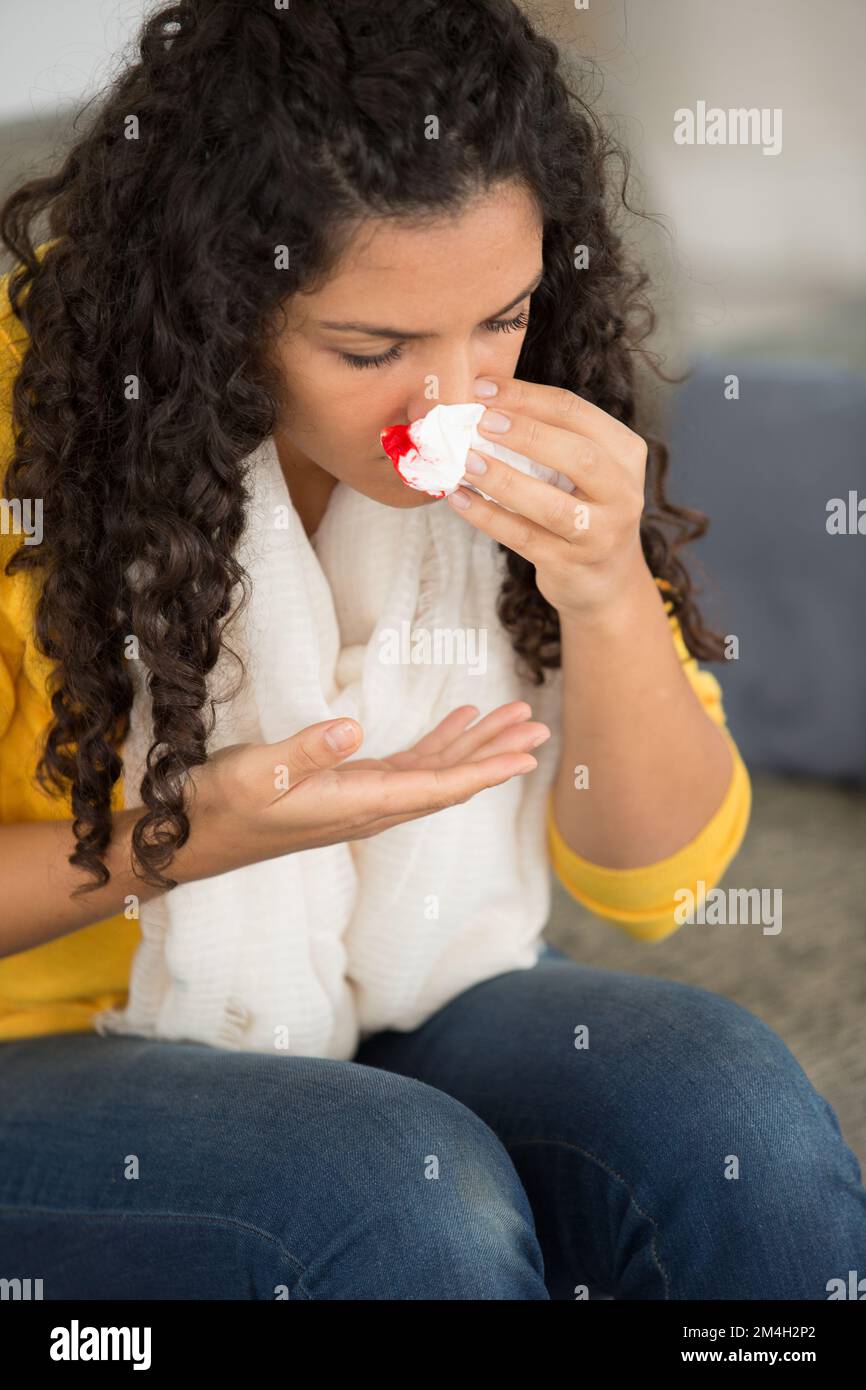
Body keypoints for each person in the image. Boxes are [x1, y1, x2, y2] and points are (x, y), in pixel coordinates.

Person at [0, 0, 863, 1300]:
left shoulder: (542, 414)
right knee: (399, 1188)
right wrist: (182, 842)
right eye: (370, 347)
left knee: (723, 1100)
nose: (452, 403)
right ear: (213, 299)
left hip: (399, 979)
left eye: (498, 319)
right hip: (42, 1029)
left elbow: (652, 884)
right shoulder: (41, 433)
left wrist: (606, 586)